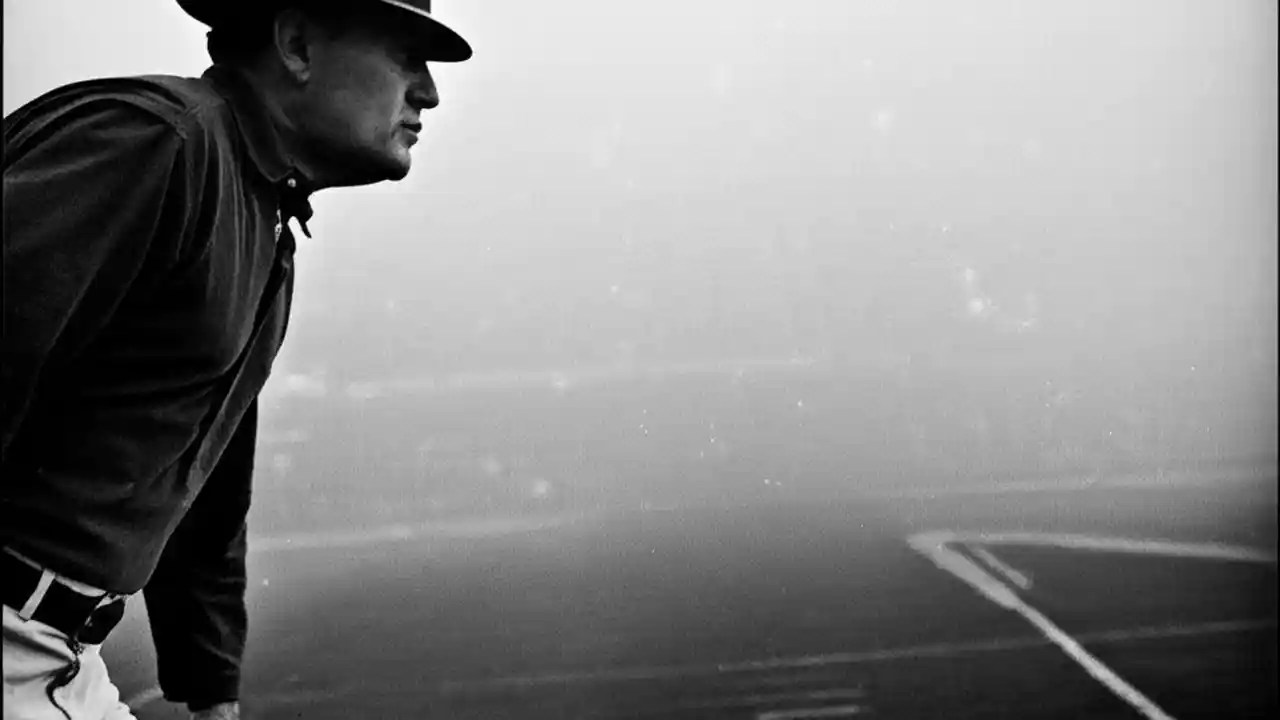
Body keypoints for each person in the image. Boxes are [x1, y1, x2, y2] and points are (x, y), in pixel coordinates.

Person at [1, 2, 471, 718]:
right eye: (407, 55)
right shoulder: (159, 144)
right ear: (297, 42)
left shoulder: (257, 213)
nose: (429, 92)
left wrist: (210, 687)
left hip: (64, 656)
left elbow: (201, 479)